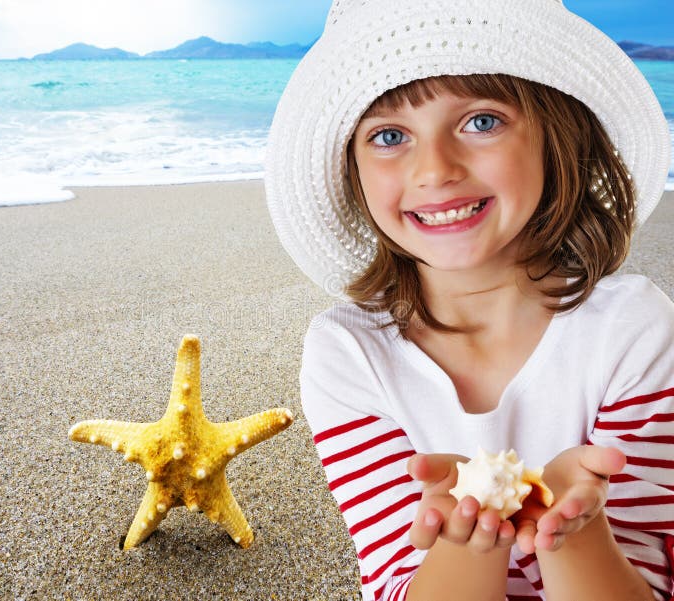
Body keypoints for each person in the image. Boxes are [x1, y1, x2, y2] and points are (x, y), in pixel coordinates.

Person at [265, 1, 673, 599]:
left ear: (557, 137)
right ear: (353, 170)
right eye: (389, 136)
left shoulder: (634, 329)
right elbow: (396, 584)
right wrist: (464, 535)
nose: (435, 171)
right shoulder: (348, 355)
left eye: (481, 121)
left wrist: (575, 529)